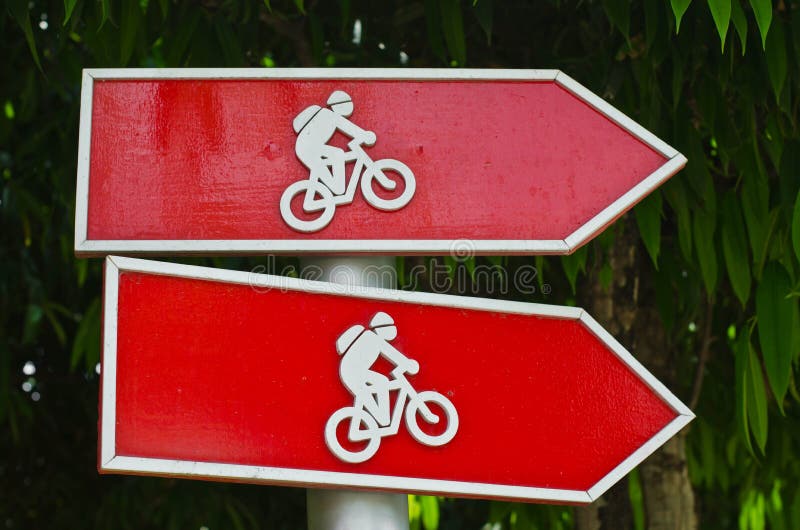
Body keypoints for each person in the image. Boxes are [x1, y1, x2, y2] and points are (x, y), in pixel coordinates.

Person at [335, 312, 419, 427]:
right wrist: (407, 364)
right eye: (390, 327)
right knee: (380, 383)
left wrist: (406, 363)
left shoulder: (370, 337)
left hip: (355, 371)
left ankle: (381, 418)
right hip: (352, 373)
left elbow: (392, 354)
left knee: (381, 381)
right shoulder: (374, 339)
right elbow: (394, 355)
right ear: (382, 328)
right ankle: (382, 418)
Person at [293, 90, 377, 196]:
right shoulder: (329, 115)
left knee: (330, 160)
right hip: (307, 148)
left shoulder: (328, 114)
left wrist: (363, 135)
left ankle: (335, 191)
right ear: (338, 105)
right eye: (347, 103)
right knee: (337, 154)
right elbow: (350, 128)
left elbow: (349, 127)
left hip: (308, 148)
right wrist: (364, 135)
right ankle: (337, 190)